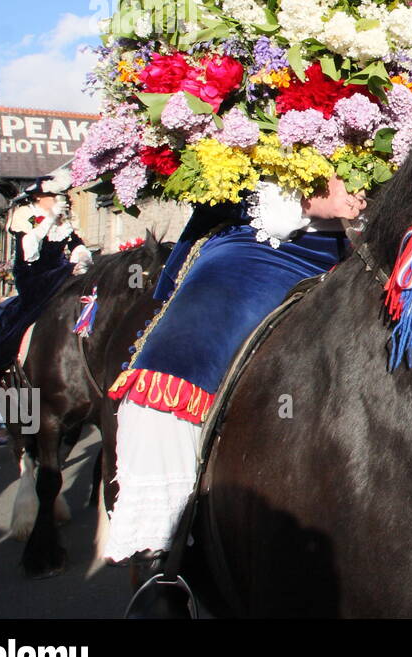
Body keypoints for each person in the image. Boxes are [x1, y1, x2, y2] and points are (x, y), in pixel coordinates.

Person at [102, 175, 366, 565]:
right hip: (266, 242)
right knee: (179, 355)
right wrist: (308, 202)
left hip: (386, 240)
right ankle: (168, 558)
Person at [0, 169, 92, 385]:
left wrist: (82, 257)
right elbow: (30, 250)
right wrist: (50, 218)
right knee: (18, 320)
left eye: (61, 195)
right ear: (39, 197)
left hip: (60, 270)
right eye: (54, 196)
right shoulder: (27, 215)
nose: (60, 199)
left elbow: (76, 244)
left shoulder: (63, 222)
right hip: (34, 275)